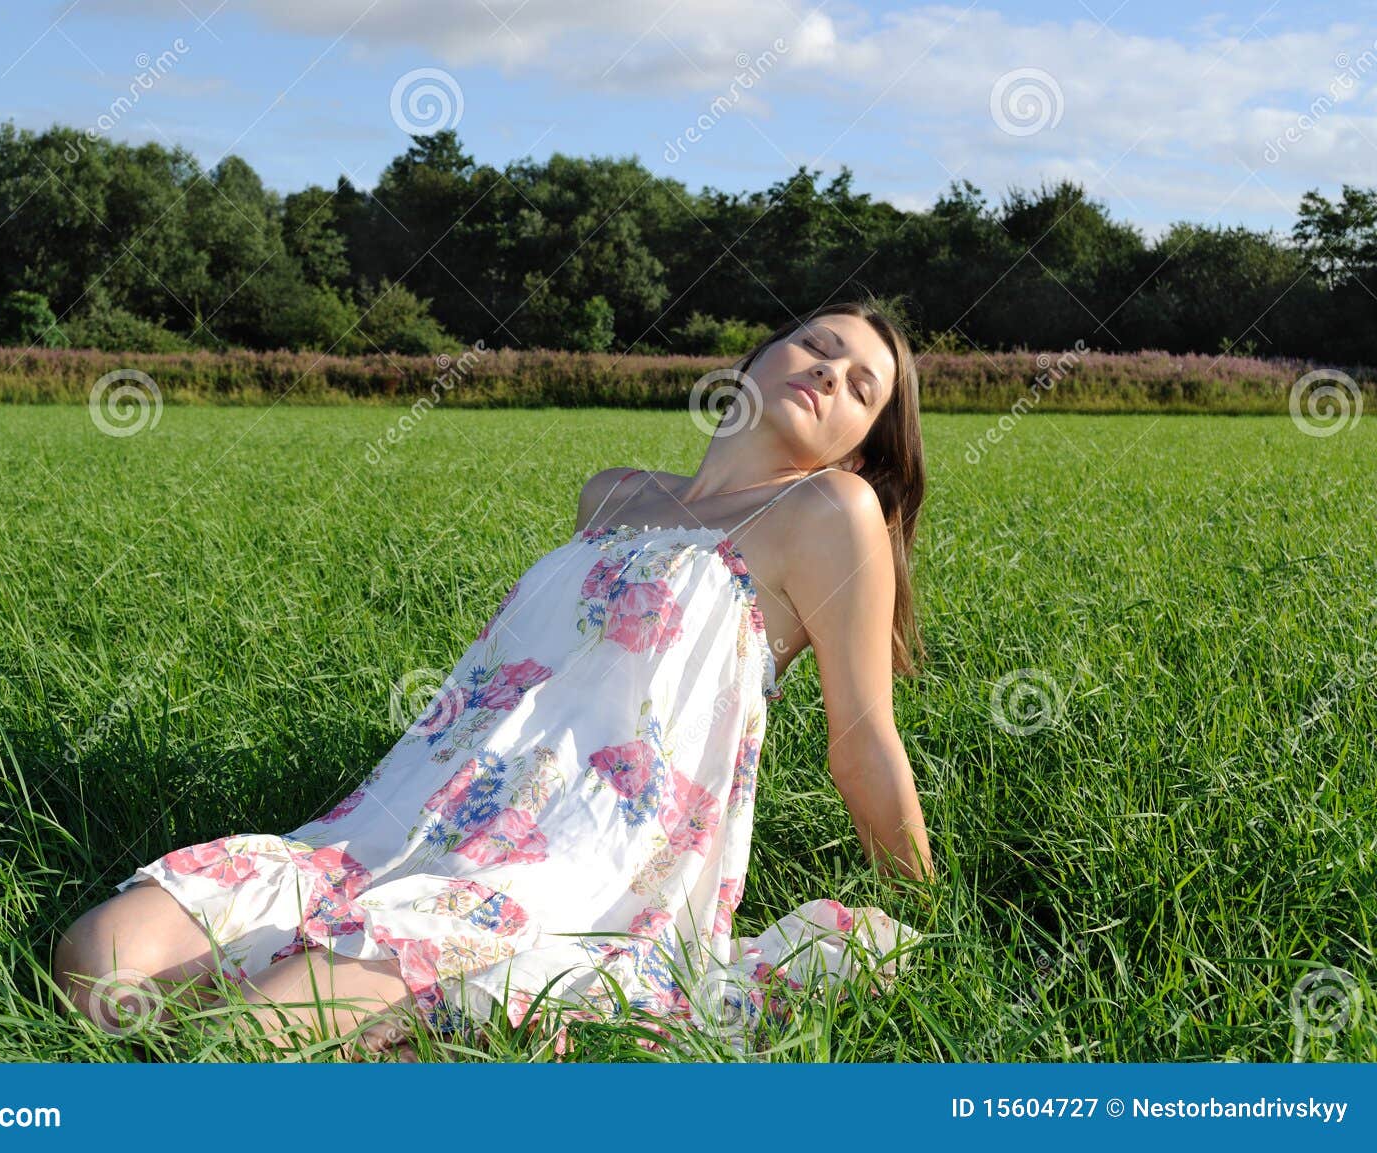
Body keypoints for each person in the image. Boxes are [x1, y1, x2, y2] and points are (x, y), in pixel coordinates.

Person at [51, 298, 936, 1061]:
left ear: (861, 450)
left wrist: (933, 907)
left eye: (863, 387)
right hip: (393, 828)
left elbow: (862, 738)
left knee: (249, 1033)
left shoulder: (829, 512)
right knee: (97, 958)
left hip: (565, 873)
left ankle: (368, 1027)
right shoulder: (614, 494)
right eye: (819, 345)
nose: (830, 373)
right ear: (759, 356)